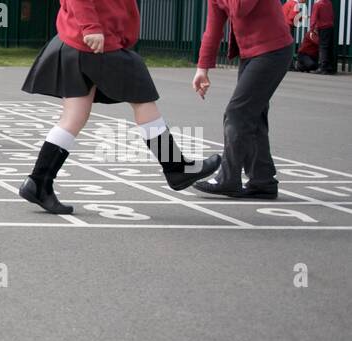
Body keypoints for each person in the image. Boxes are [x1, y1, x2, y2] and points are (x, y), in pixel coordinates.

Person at [17, 0, 221, 215]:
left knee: (74, 117)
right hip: (95, 41)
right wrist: (91, 27)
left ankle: (38, 181)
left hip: (82, 40)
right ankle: (176, 168)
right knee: (142, 99)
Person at [192, 0, 293, 200]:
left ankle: (228, 179)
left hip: (274, 50)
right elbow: (212, 30)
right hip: (252, 54)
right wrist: (201, 69)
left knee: (237, 113)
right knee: (253, 116)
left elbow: (240, 8)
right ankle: (262, 182)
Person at [311, 0, 336, 74]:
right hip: (330, 26)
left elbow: (314, 17)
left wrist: (312, 28)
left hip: (322, 27)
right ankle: (329, 67)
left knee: (323, 47)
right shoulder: (329, 3)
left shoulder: (317, 5)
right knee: (329, 47)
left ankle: (323, 67)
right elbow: (332, 15)